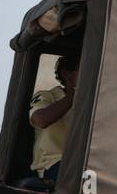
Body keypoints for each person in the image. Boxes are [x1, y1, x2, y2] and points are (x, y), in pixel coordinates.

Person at [29, 53, 79, 184]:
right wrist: (73, 96)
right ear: (67, 74)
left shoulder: (94, 100)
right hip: (55, 163)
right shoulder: (47, 96)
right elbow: (40, 120)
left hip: (87, 162)